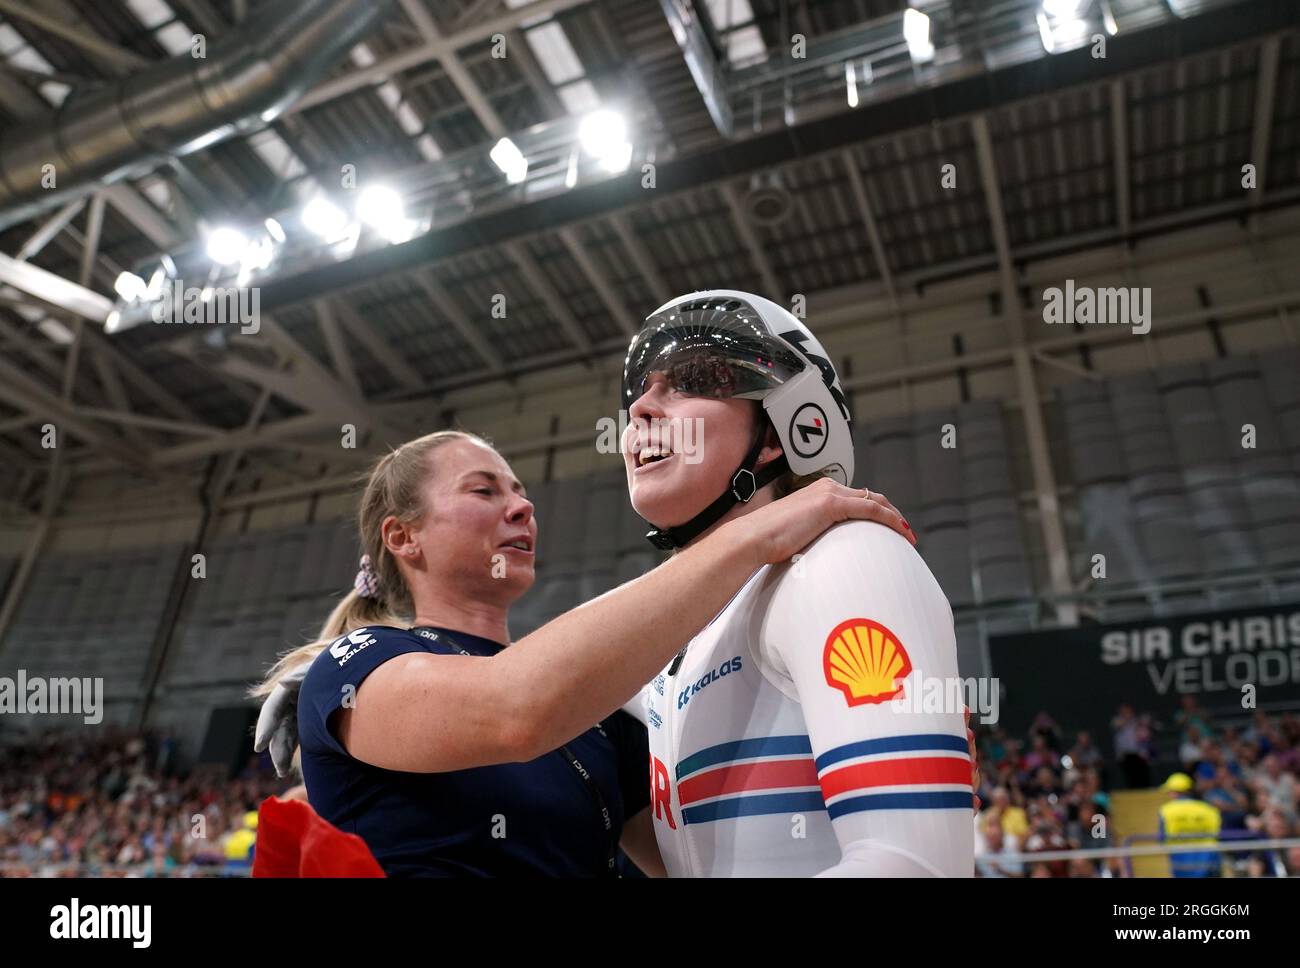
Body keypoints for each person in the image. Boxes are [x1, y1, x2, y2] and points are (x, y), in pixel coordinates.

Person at [253, 429, 912, 876]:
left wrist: (873, 734)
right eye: (485, 491)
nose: (522, 507)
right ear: (403, 536)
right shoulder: (354, 664)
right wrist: (752, 536)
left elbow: (706, 862)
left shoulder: (599, 718)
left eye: (520, 493)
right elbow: (515, 709)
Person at [619, 290, 974, 876]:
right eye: (640, 390)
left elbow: (913, 866)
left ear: (780, 432)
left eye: (690, 381)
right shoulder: (662, 638)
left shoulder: (848, 558)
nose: (640, 411)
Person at [1157, 772, 1221, 877]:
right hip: (1209, 861)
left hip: (1180, 862)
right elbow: (1217, 834)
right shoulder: (1209, 809)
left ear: (1175, 792)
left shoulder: (1166, 810)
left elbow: (1162, 838)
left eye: (1169, 792)